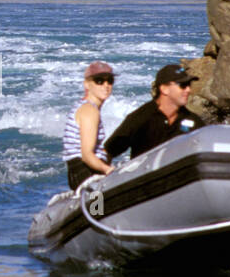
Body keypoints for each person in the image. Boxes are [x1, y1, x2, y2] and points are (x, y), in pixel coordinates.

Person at [104, 64, 207, 161]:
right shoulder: (141, 118)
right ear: (164, 89)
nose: (188, 90)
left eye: (189, 85)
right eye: (183, 85)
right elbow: (109, 152)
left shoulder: (194, 121)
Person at [62, 61, 115, 190]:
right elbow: (87, 155)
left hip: (77, 172)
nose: (106, 85)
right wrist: (108, 170)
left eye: (110, 80)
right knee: (98, 209)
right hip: (85, 172)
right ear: (87, 84)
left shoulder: (83, 106)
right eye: (99, 81)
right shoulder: (90, 111)